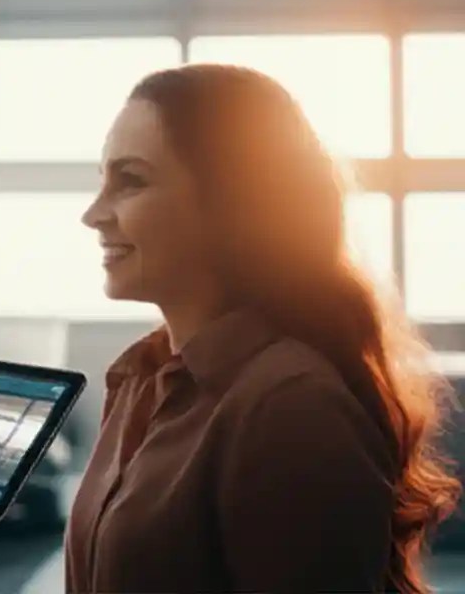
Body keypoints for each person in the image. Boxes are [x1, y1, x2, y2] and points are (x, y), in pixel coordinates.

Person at [67, 64, 460, 593]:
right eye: (102, 180)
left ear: (232, 203)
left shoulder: (291, 405)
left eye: (131, 181)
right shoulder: (142, 376)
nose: (94, 214)